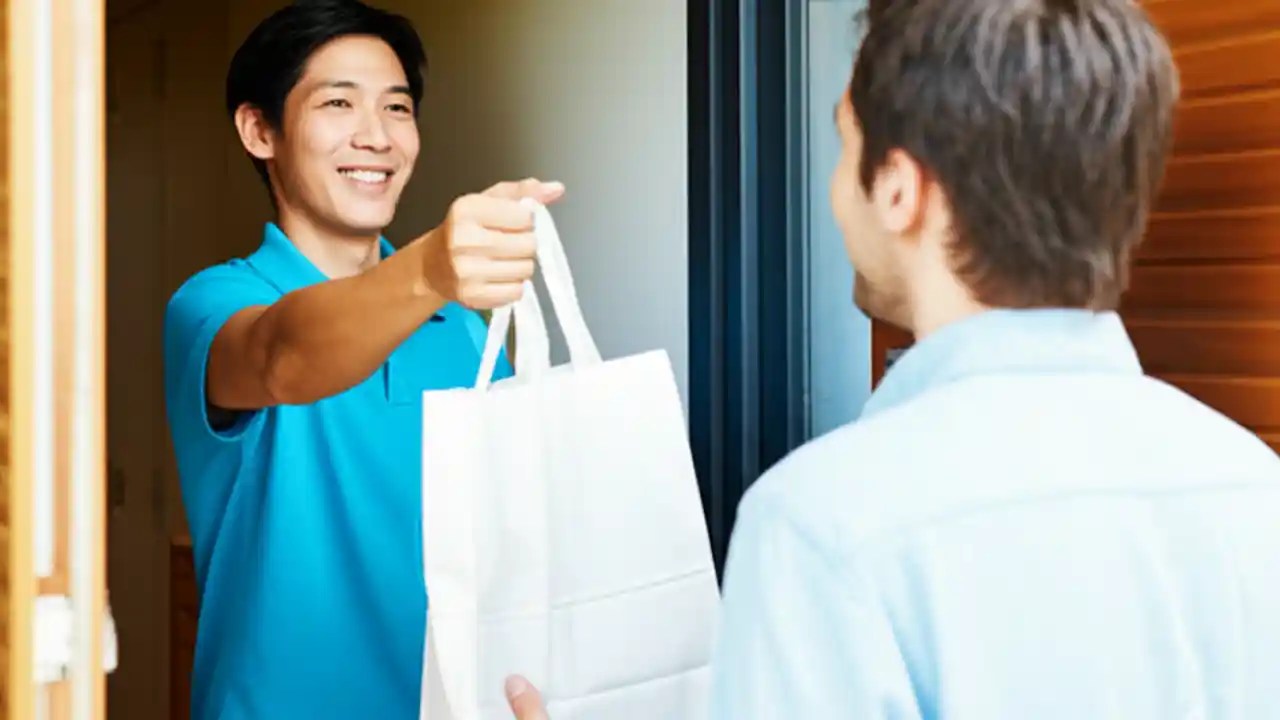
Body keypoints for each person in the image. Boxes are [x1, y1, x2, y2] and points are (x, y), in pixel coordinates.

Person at [506, 0, 1280, 717]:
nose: (837, 188)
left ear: (901, 190)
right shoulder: (1255, 487)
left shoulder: (819, 526)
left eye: (845, 148)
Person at [162, 1, 561, 717]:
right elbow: (282, 354)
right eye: (338, 103)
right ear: (260, 131)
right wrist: (428, 270)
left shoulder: (464, 329)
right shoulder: (214, 303)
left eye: (397, 108)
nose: (375, 136)